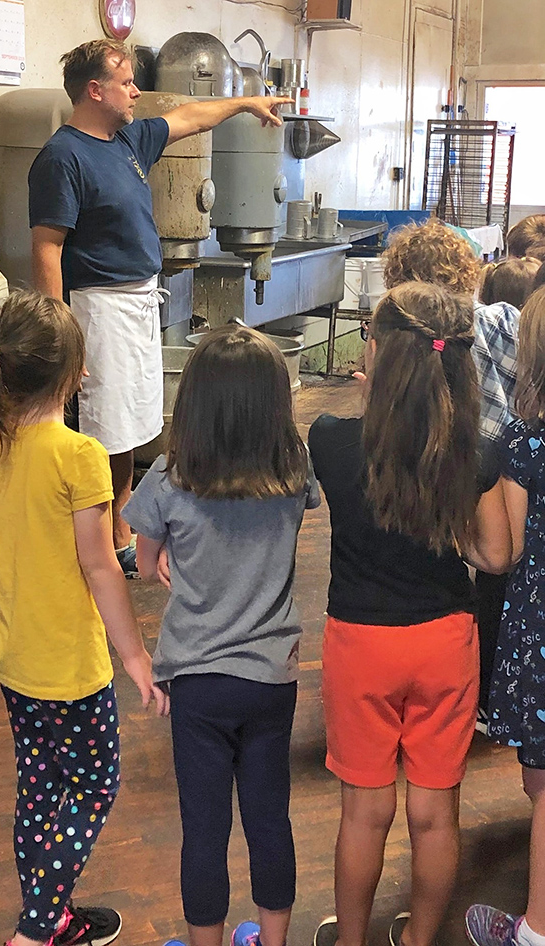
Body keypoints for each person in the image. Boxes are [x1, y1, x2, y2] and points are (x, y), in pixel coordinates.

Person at [29, 39, 291, 577]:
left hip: (137, 301)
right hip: (97, 308)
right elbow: (47, 247)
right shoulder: (62, 157)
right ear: (94, 90)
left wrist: (244, 104)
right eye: (125, 83)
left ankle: (121, 521)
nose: (136, 92)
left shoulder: (127, 140)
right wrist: (61, 335)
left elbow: (191, 116)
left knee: (124, 426)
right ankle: (102, 537)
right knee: (101, 427)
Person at [0, 289, 168, 946]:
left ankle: (55, 914)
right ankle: (40, 924)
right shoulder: (79, 457)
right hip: (71, 669)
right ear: (76, 376)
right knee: (96, 786)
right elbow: (102, 566)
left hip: (14, 659)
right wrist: (135, 655)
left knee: (42, 788)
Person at [309, 282, 512, 946]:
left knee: (364, 814)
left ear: (378, 355)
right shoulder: (470, 455)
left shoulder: (333, 441)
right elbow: (495, 555)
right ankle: (420, 940)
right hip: (444, 643)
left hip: (360, 644)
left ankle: (351, 940)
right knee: (434, 816)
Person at [122, 325, 320, 946]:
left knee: (203, 827)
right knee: (269, 818)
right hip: (271, 679)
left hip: (198, 682)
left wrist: (162, 561)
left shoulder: (167, 477)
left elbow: (145, 558)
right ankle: (272, 938)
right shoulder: (294, 472)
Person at [382, 218, 520, 730]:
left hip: (452, 466)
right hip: (509, 462)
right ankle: (491, 694)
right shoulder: (505, 317)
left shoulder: (414, 336)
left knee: (465, 559)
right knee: (499, 575)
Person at [466, 285, 545, 946]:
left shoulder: (525, 444)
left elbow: (505, 550)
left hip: (538, 632)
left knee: (542, 783)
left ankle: (533, 928)